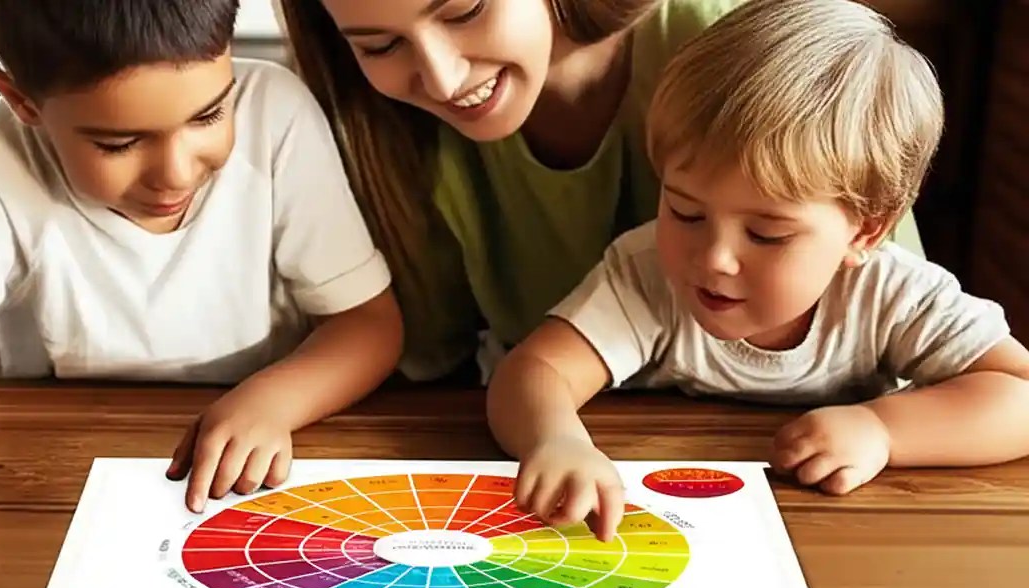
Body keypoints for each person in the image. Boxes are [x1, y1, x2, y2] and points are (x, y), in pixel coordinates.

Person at [0, 0, 403, 582]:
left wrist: (273, 401)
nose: (175, 172)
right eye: (119, 142)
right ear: (24, 103)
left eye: (209, 114)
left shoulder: (276, 112)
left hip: (266, 477)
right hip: (53, 489)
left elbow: (368, 324)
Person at [485, 0, 1029, 541]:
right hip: (671, 515)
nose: (714, 257)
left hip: (841, 535)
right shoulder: (647, 271)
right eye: (686, 211)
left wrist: (882, 430)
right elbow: (535, 372)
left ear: (864, 232)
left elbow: (1019, 393)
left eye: (767, 234)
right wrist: (556, 439)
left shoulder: (894, 294)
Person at [276, 0, 930, 383]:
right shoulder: (382, 121)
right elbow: (432, 371)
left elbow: (891, 326)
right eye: (381, 44)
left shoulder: (738, 49)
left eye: (465, 9)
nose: (442, 80)